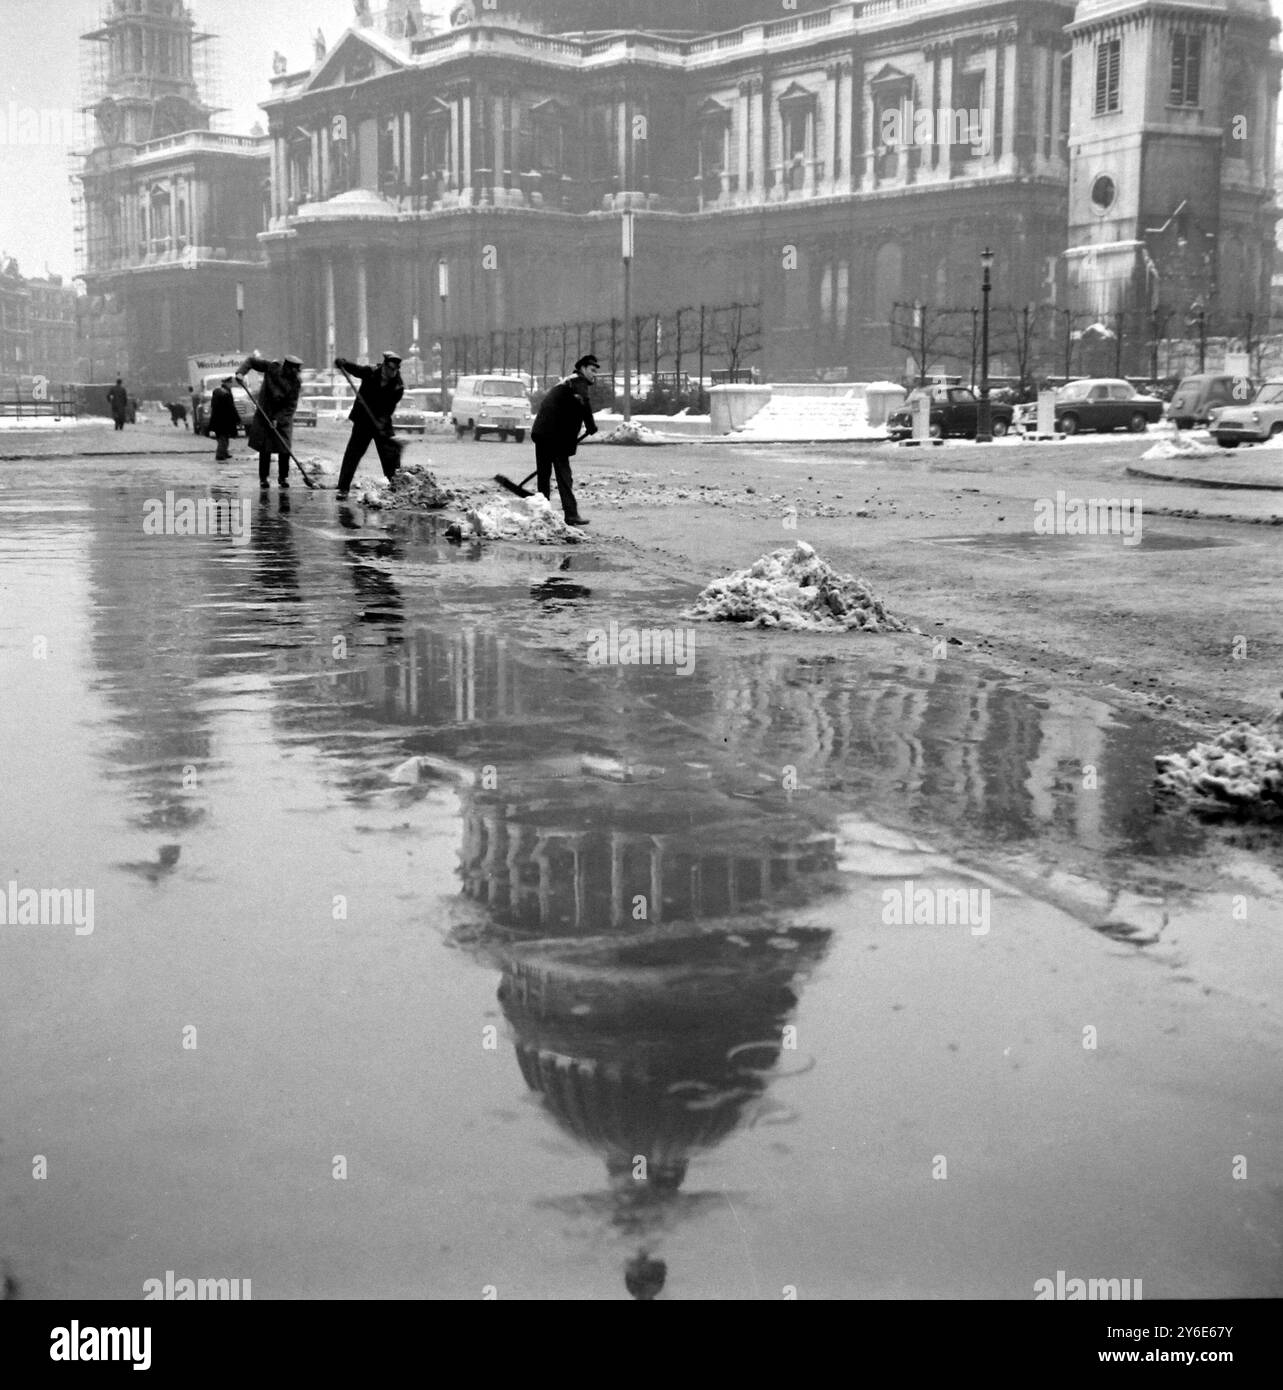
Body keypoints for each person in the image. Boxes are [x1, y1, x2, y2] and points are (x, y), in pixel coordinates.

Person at [530, 354, 598, 526]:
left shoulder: (568, 382)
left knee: (544, 475)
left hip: (542, 432)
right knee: (563, 475)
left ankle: (541, 512)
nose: (594, 374)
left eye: (595, 371)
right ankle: (571, 514)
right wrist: (590, 425)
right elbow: (584, 403)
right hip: (553, 435)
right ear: (582, 368)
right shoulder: (578, 382)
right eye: (592, 370)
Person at [334, 350, 404, 500]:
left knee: (390, 458)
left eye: (395, 370)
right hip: (363, 421)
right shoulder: (371, 372)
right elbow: (356, 370)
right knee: (352, 455)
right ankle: (343, 488)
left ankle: (397, 490)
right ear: (384, 366)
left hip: (381, 423)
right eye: (390, 369)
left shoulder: (398, 386)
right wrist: (343, 363)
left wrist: (381, 422)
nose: (392, 372)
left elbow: (389, 408)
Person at [236, 352, 303, 488]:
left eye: (297, 369)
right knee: (265, 448)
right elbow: (251, 361)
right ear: (286, 367)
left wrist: (278, 419)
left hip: (283, 417)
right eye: (293, 369)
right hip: (264, 413)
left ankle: (283, 477)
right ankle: (263, 478)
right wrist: (241, 373)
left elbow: (291, 405)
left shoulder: (295, 383)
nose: (296, 372)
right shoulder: (272, 368)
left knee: (284, 448)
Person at [208, 376, 241, 462]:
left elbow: (213, 406)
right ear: (227, 383)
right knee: (223, 437)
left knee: (222, 437)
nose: (231, 385)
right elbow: (231, 407)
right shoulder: (226, 393)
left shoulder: (218, 391)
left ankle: (224, 452)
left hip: (217, 419)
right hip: (224, 419)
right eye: (231, 383)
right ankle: (220, 454)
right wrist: (237, 418)